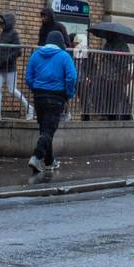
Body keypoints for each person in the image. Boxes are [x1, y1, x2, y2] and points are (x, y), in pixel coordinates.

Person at [24, 30, 77, 172]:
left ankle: (49, 161)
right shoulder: (64, 57)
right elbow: (72, 77)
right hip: (56, 97)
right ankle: (36, 157)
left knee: (45, 130)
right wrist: (68, 94)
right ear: (60, 43)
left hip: (39, 96)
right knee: (49, 130)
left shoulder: (36, 55)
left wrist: (35, 88)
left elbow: (28, 77)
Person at [0, 12, 32, 120]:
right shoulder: (3, 33)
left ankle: (29, 107)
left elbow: (18, 51)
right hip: (0, 66)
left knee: (12, 90)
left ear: (8, 23)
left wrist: (8, 58)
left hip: (10, 68)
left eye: (2, 23)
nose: (0, 25)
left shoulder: (14, 34)